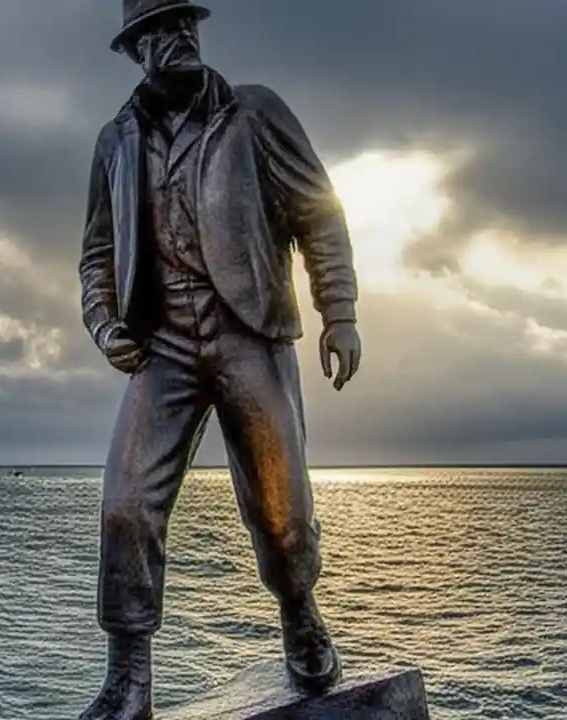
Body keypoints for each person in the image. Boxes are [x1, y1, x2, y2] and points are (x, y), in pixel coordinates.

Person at [78, 2, 362, 717]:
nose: (177, 37)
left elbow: (319, 213)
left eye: (185, 22)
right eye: (158, 29)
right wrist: (105, 325)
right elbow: (96, 257)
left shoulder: (255, 114)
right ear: (135, 49)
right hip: (161, 345)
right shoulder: (116, 142)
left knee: (281, 509)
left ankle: (301, 619)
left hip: (251, 332)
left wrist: (341, 312)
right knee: (125, 506)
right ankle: (130, 681)